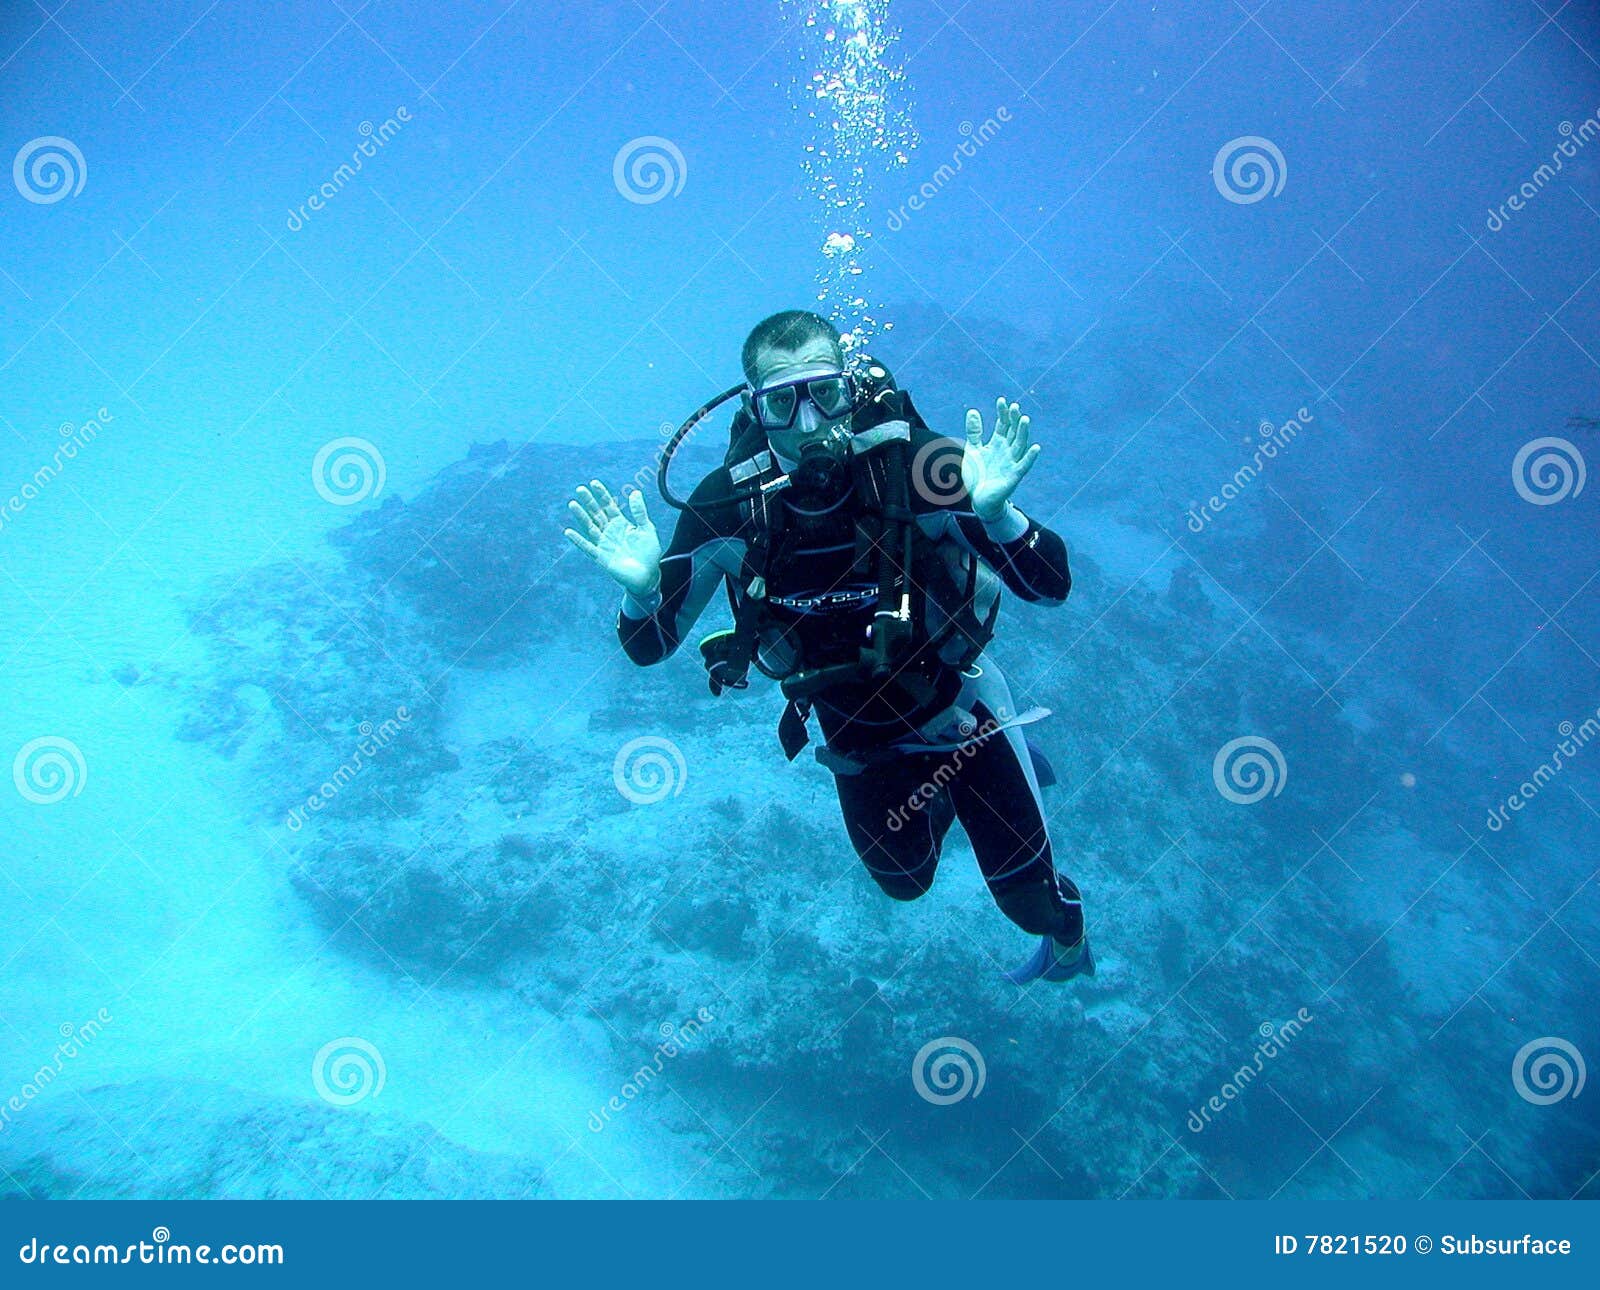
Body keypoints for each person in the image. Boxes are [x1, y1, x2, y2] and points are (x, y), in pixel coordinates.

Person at [563, 310, 1092, 983]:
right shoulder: (728, 507)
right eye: (783, 402)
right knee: (904, 882)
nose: (810, 423)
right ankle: (954, 796)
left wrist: (997, 516)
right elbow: (650, 646)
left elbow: (1050, 587)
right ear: (754, 407)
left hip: (963, 710)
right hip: (854, 736)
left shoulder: (916, 465)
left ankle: (1071, 937)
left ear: (848, 387)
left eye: (826, 394)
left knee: (1033, 906)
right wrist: (642, 591)